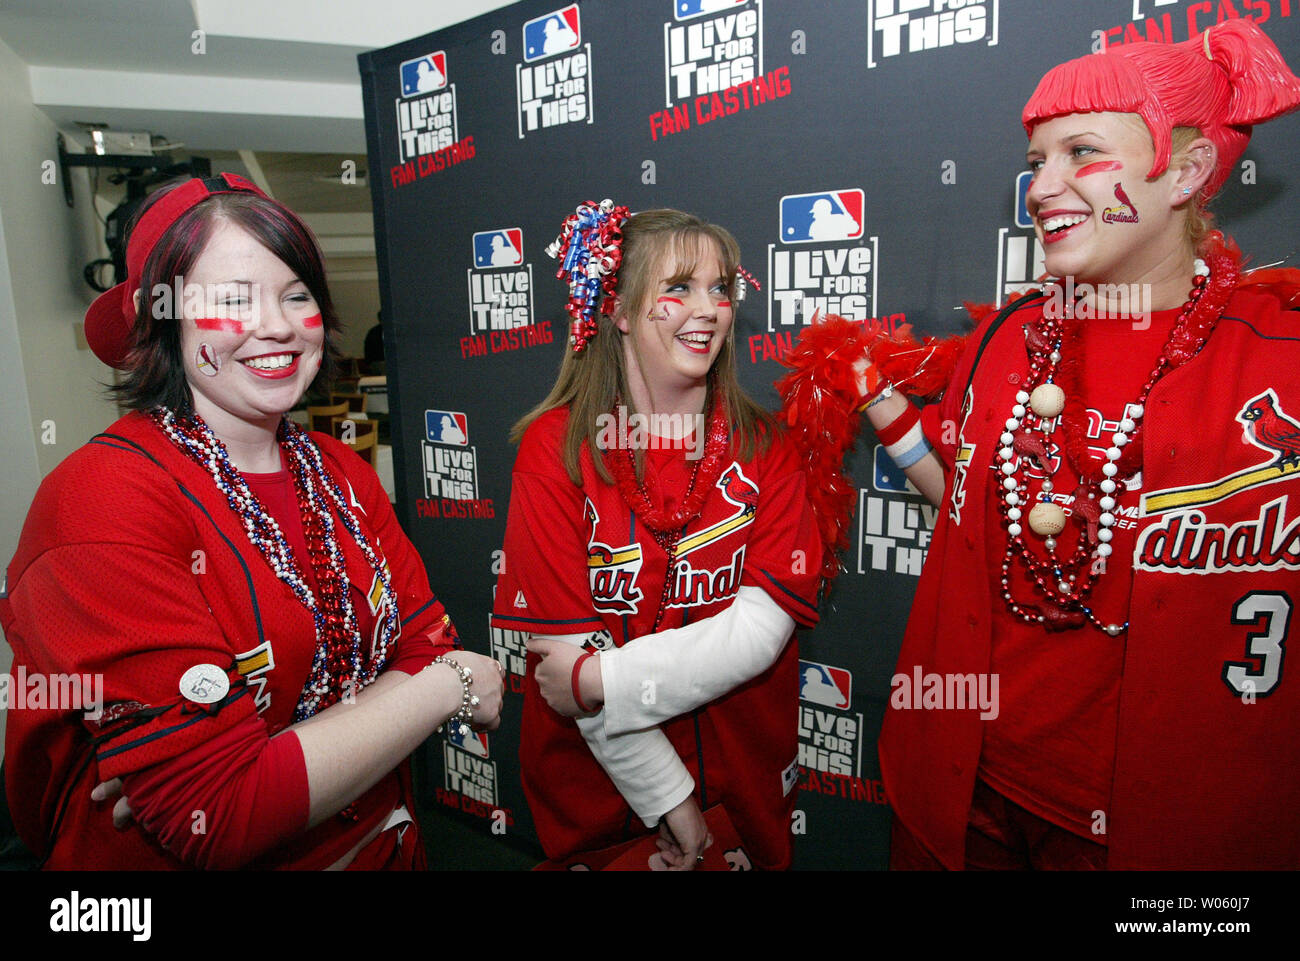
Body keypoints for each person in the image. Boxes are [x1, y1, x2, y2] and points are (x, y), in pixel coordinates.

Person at [829, 20, 1300, 869]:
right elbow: (980, 504)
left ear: (1187, 172)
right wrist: (891, 415)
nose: (1041, 186)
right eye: (1034, 161)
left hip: (1166, 832)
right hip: (967, 796)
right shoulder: (1005, 341)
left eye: (1081, 152)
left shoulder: (1280, 357)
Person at [0, 174, 503, 870]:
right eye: (232, 300)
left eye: (296, 294)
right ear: (164, 322)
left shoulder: (338, 467)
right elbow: (224, 812)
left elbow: (420, 640)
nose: (276, 325)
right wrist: (448, 686)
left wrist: (279, 755)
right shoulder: (100, 499)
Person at [491, 203, 822, 870]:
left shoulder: (768, 445)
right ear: (615, 308)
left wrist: (600, 676)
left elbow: (756, 636)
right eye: (678, 287)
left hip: (747, 783)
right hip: (601, 793)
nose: (709, 309)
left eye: (720, 288)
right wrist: (670, 798)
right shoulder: (554, 449)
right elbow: (563, 664)